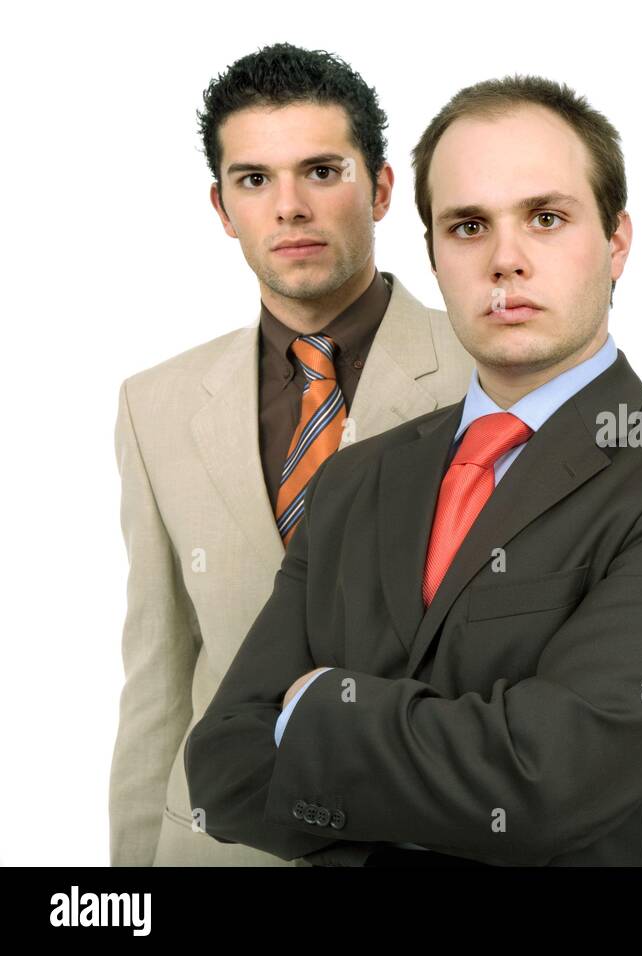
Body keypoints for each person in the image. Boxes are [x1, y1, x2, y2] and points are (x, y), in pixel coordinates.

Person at [184, 75, 642, 866]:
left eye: (545, 218)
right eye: (468, 226)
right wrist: (455, 757)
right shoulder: (354, 479)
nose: (506, 260)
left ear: (616, 241)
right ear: (432, 251)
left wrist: (318, 707)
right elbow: (223, 769)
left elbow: (546, 781)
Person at [110, 43, 475, 866]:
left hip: (424, 839)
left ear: (380, 190)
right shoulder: (154, 405)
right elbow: (159, 679)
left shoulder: (491, 375)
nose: (289, 208)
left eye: (321, 171)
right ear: (221, 205)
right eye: (254, 180)